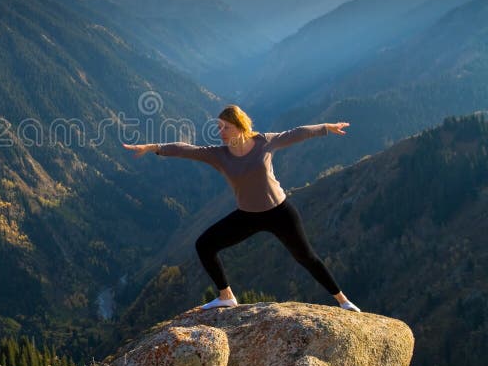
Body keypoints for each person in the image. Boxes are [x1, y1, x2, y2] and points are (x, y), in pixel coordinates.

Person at [122, 104, 361, 312]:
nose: (220, 132)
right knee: (204, 245)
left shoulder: (264, 142)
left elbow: (296, 133)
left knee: (306, 257)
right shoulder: (220, 155)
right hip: (248, 216)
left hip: (279, 212)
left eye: (225, 127)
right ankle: (226, 297)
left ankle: (343, 301)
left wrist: (327, 127)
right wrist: (152, 147)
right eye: (219, 127)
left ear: (240, 126)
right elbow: (186, 149)